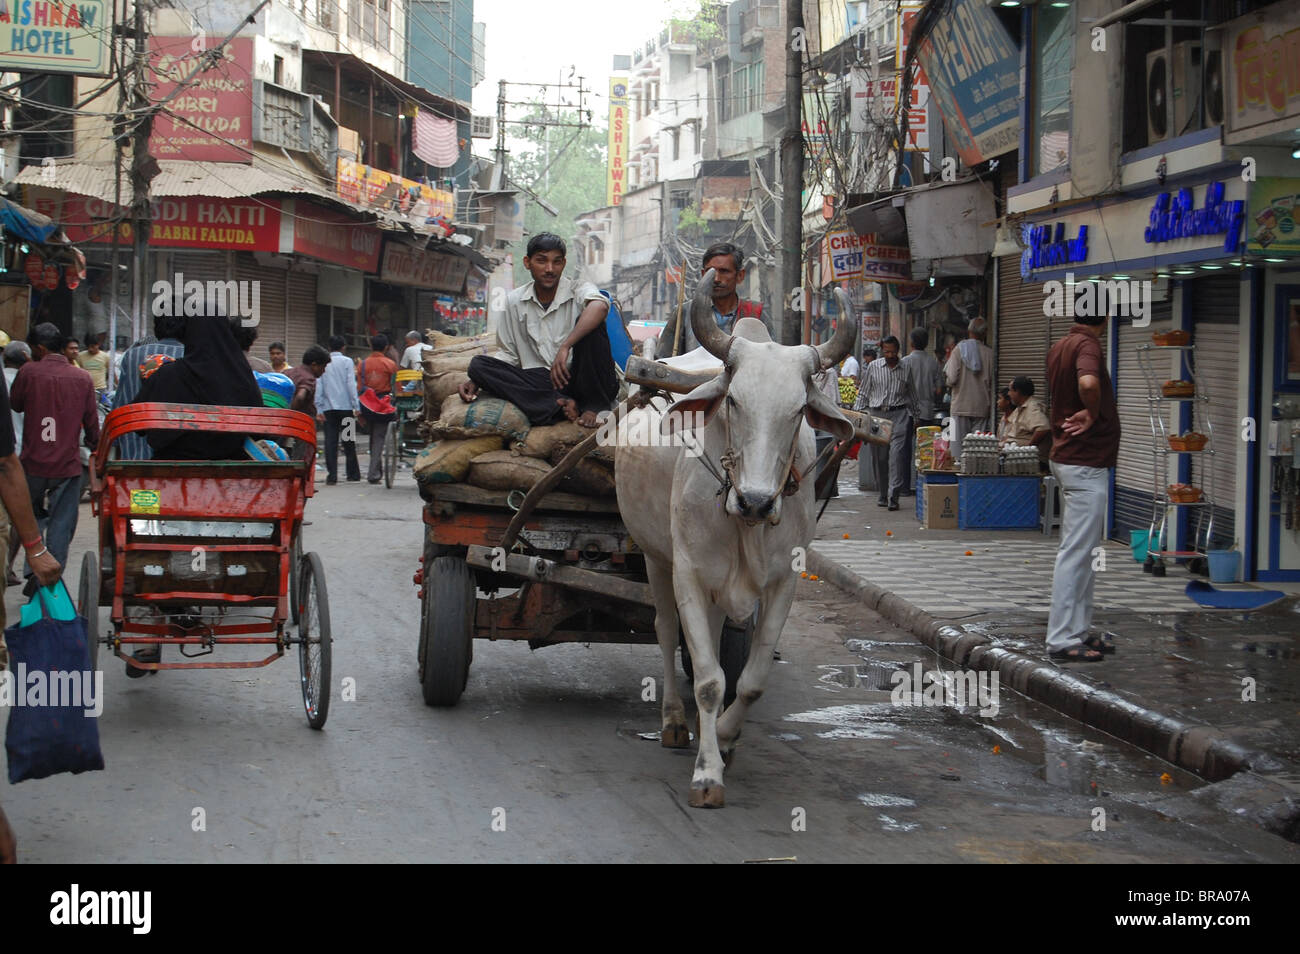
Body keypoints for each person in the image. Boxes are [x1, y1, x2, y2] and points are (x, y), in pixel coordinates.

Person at [0, 359, 64, 864]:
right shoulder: (85, 377)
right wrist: (35, 549)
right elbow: (3, 463)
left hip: (37, 462)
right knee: (56, 530)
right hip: (61, 467)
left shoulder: (24, 379)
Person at [460, 233, 616, 429]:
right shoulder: (515, 301)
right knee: (478, 365)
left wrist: (566, 346)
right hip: (543, 383)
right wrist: (478, 379)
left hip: (585, 378)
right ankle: (558, 405)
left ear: (563, 263)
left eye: (556, 262)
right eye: (541, 261)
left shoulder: (578, 289)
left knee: (592, 325)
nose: (549, 269)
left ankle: (593, 406)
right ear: (527, 262)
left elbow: (600, 307)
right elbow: (509, 354)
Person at [1044, 311, 1121, 662]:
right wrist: (1092, 413)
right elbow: (1088, 384)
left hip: (1071, 459)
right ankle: (1062, 639)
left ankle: (1078, 630)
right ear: (1104, 316)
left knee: (1086, 552)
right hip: (1084, 463)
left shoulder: (1061, 344)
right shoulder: (1088, 344)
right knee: (1077, 553)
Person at [9, 323, 100, 574]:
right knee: (61, 524)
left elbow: (15, 405)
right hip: (66, 464)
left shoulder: (28, 372)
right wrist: (96, 447)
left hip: (33, 462)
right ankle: (52, 578)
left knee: (34, 518)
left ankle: (32, 571)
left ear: (38, 348)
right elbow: (92, 424)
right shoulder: (82, 377)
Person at [135, 314, 263, 461]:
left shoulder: (166, 374)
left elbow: (139, 426)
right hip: (231, 472)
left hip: (170, 471)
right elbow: (259, 431)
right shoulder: (243, 378)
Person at [667, 242, 769, 354]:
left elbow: (772, 358)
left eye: (724, 271)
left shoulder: (755, 313)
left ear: (740, 276)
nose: (716, 279)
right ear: (703, 275)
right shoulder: (685, 312)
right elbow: (663, 360)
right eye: (710, 272)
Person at [111, 314, 186, 460]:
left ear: (156, 326)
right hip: (180, 461)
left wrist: (115, 445)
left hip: (135, 458)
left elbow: (120, 405)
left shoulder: (132, 356)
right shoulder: (192, 357)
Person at [854, 335, 915, 511]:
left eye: (893, 352)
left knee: (897, 457)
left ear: (898, 351)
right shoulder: (873, 367)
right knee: (880, 458)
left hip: (900, 415)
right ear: (882, 351)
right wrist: (857, 415)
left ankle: (893, 496)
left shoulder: (906, 368)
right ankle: (882, 493)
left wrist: (916, 416)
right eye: (886, 351)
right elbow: (864, 393)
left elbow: (912, 394)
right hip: (878, 417)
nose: (889, 355)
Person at [944, 316, 994, 461]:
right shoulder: (990, 354)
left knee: (957, 454)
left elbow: (951, 378)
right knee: (977, 453)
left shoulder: (958, 350)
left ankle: (958, 481)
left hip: (959, 407)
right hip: (981, 408)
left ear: (968, 331)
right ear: (984, 333)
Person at [900, 327, 942, 493]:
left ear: (911, 343)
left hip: (908, 412)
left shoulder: (905, 361)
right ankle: (923, 485)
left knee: (905, 450)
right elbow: (939, 390)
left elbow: (900, 387)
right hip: (926, 412)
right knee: (925, 450)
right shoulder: (933, 362)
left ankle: (904, 486)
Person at [2, 341, 30, 585]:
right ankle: (8, 566)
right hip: (16, 456)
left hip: (12, 454)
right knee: (16, 515)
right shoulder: (25, 381)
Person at [317, 335, 361, 484]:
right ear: (343, 347)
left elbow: (319, 385)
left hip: (329, 409)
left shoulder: (324, 363)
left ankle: (332, 476)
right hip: (346, 408)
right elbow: (351, 384)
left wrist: (318, 408)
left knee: (330, 442)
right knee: (349, 440)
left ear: (329, 348)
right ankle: (352, 474)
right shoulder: (347, 362)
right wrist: (356, 405)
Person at [357, 334, 398, 483]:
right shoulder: (390, 364)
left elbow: (359, 387)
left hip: (366, 404)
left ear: (371, 346)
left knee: (374, 438)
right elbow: (397, 388)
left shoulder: (362, 364)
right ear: (386, 347)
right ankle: (373, 474)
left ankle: (376, 471)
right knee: (379, 438)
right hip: (383, 403)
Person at [288, 346, 330, 461]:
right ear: (314, 365)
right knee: (301, 459)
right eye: (323, 367)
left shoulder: (289, 372)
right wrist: (290, 415)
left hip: (283, 424)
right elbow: (301, 397)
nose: (324, 371)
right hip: (302, 424)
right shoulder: (309, 378)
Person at [1003, 375, 1051, 465]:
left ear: (1017, 392)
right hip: (1013, 456)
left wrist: (1028, 450)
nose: (1008, 394)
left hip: (1028, 460)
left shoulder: (1032, 407)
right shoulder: (1020, 408)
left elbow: (1043, 428)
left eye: (1010, 390)